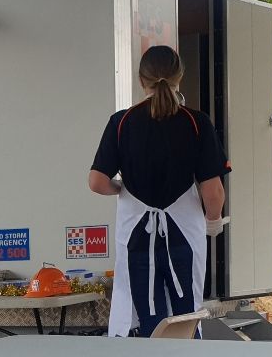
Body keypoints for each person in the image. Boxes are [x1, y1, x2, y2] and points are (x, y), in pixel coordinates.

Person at [88, 46, 227, 337]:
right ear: (180, 78)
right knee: (186, 315)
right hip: (183, 237)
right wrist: (213, 221)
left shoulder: (121, 122)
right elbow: (212, 191)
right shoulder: (196, 122)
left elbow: (97, 181)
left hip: (137, 238)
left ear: (142, 81)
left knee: (145, 317)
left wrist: (121, 188)